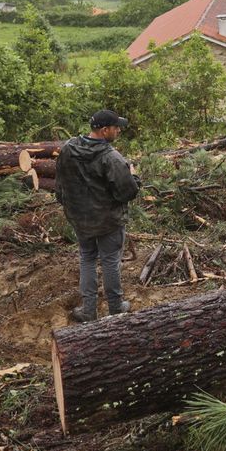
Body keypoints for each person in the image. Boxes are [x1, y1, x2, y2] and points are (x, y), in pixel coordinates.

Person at [56, 110, 142, 322]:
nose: (119, 130)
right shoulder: (111, 158)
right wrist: (133, 176)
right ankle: (115, 308)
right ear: (105, 130)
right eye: (116, 127)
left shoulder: (68, 149)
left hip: (81, 220)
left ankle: (89, 311)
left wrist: (72, 210)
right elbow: (128, 192)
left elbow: (60, 187)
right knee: (110, 261)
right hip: (108, 221)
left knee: (87, 259)